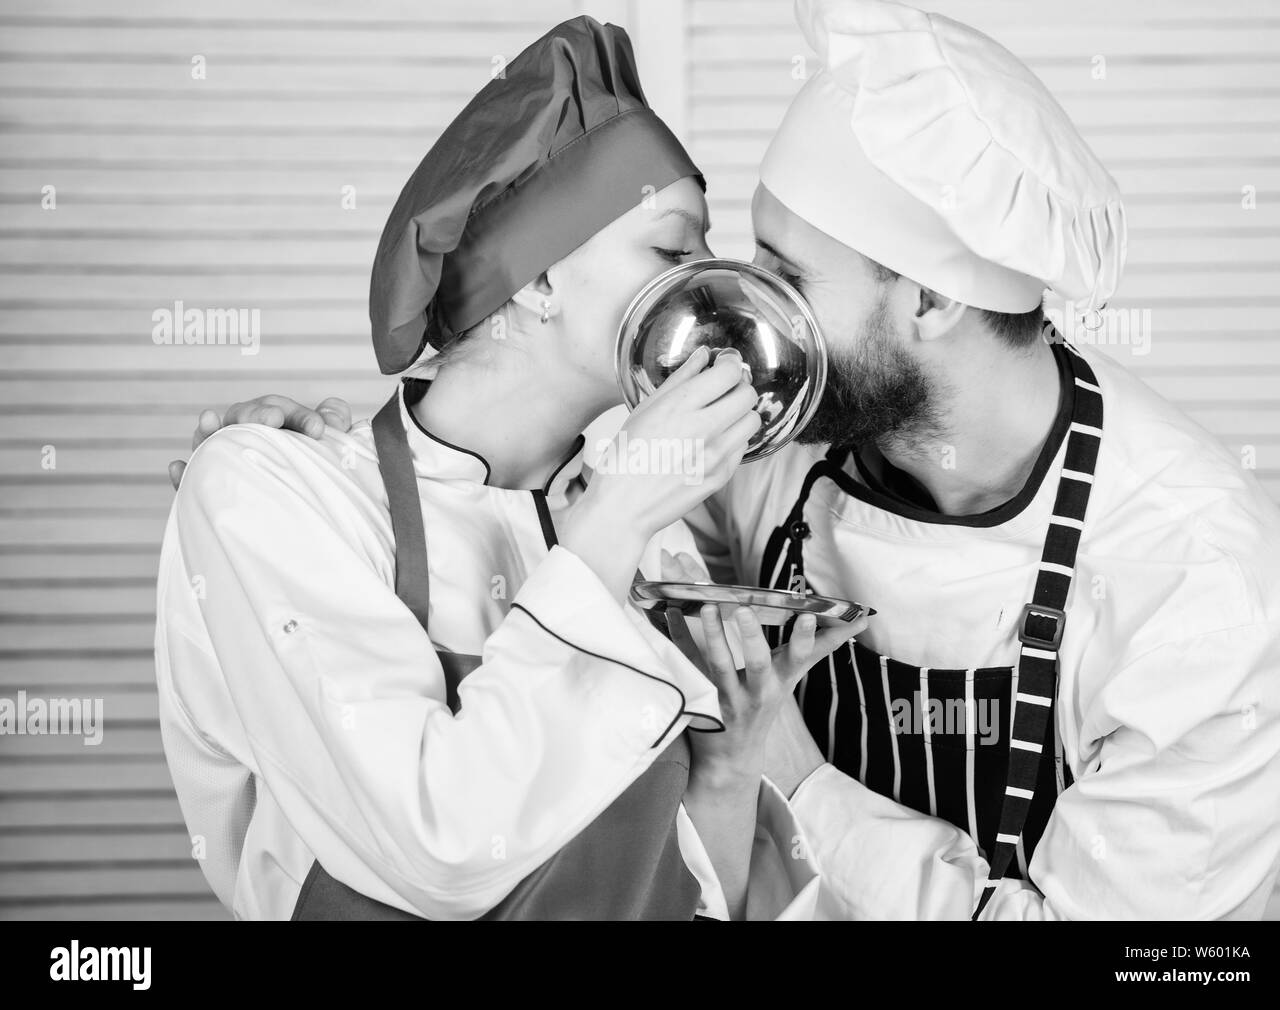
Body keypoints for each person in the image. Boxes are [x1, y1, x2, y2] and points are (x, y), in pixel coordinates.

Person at [178, 0, 1280, 920]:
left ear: (928, 298)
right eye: (694, 248)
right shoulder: (732, 470)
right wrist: (336, 459)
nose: (729, 296)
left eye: (779, 267)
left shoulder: (1202, 579)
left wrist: (787, 775)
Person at [155, 16, 868, 922]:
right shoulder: (273, 492)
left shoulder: (651, 539)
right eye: (671, 248)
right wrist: (607, 534)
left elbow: (687, 900)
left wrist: (728, 772)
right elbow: (433, 849)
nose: (705, 283)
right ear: (534, 278)